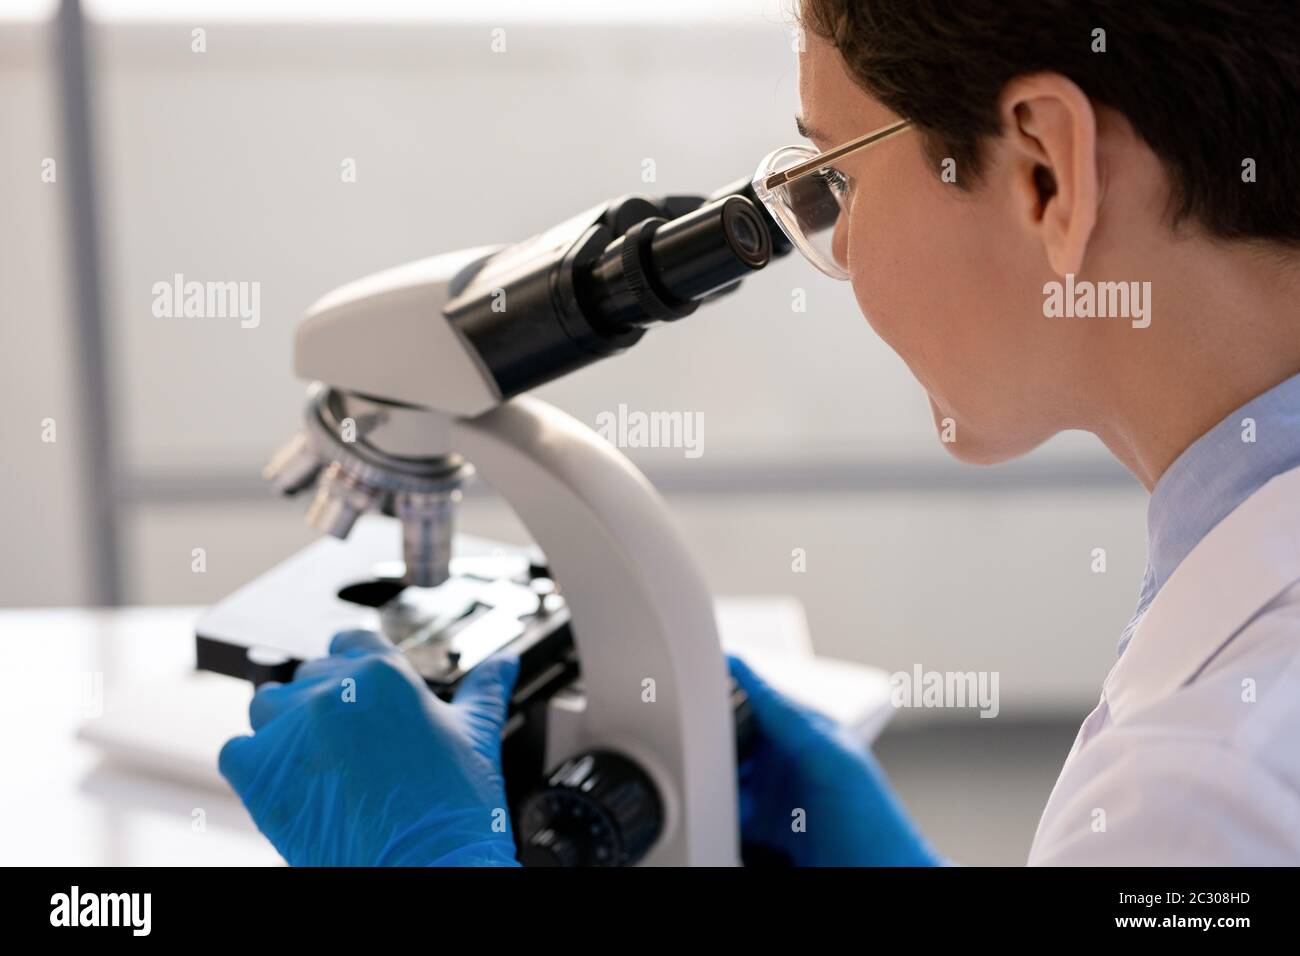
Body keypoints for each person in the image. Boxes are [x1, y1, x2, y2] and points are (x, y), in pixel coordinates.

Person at [219, 0, 1300, 865]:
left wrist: (426, 854)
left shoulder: (1205, 796)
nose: (840, 253)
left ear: (1045, 172)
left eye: (838, 178)